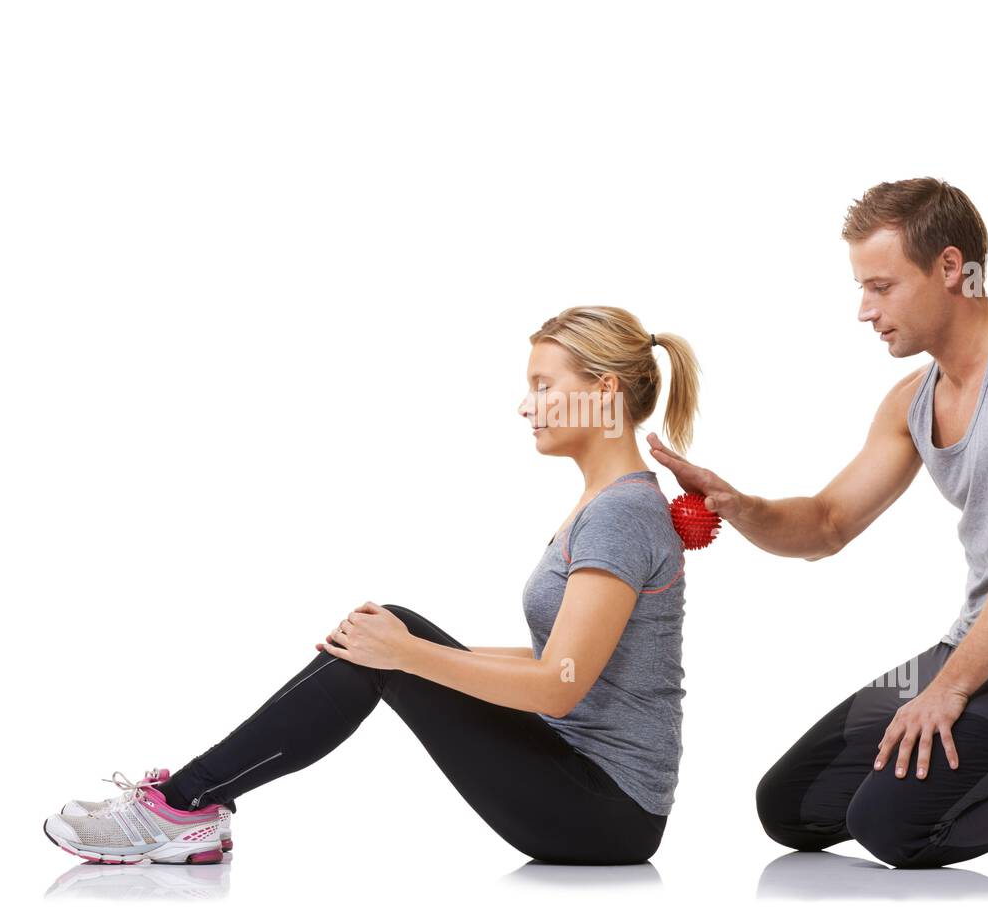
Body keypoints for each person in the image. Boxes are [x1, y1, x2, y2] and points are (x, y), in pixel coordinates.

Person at [44, 306, 697, 867]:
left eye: (544, 385)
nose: (527, 405)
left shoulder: (619, 514)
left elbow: (560, 685)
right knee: (392, 631)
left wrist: (406, 657)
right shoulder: (607, 506)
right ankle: (189, 802)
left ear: (603, 391)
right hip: (590, 792)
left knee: (392, 643)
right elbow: (555, 663)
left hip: (605, 811)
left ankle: (184, 806)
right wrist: (405, 650)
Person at [648, 178, 988, 870]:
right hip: (972, 645)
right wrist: (740, 506)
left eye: (881, 287)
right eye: (862, 288)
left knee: (895, 828)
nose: (864, 310)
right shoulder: (912, 401)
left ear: (951, 269)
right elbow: (826, 524)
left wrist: (948, 692)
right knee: (793, 807)